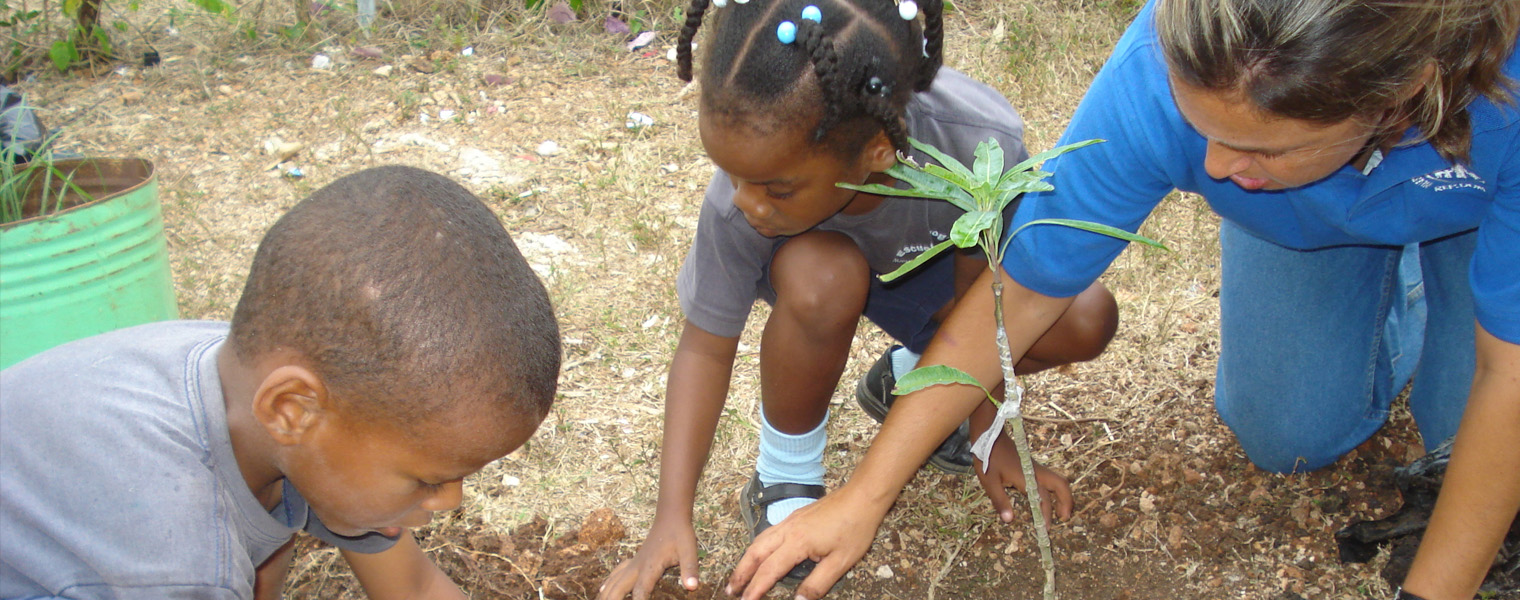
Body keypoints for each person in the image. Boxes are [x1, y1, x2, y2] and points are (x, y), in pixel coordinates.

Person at [725, 0, 1520, 598]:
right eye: (1202, 130)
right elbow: (1021, 294)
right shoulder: (1160, 71)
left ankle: (1460, 273)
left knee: (1470, 447)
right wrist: (864, 497)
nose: (1214, 167)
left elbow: (1509, 376)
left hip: (1480, 206)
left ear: (1399, 95)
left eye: (1258, 146)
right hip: (1301, 223)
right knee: (1293, 434)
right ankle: (1408, 288)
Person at [595, 0, 1126, 597]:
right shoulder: (747, 193)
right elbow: (704, 350)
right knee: (825, 276)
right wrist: (671, 514)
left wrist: (988, 432)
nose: (745, 201)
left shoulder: (975, 149)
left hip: (932, 280)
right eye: (731, 174)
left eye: (775, 188)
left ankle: (910, 379)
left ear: (878, 150)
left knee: (1085, 316)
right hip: (818, 276)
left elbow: (991, 302)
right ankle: (786, 473)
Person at [0, 165, 562, 600]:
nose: (452, 500)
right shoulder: (178, 555)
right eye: (427, 480)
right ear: (291, 410)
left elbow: (412, 589)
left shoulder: (294, 387)